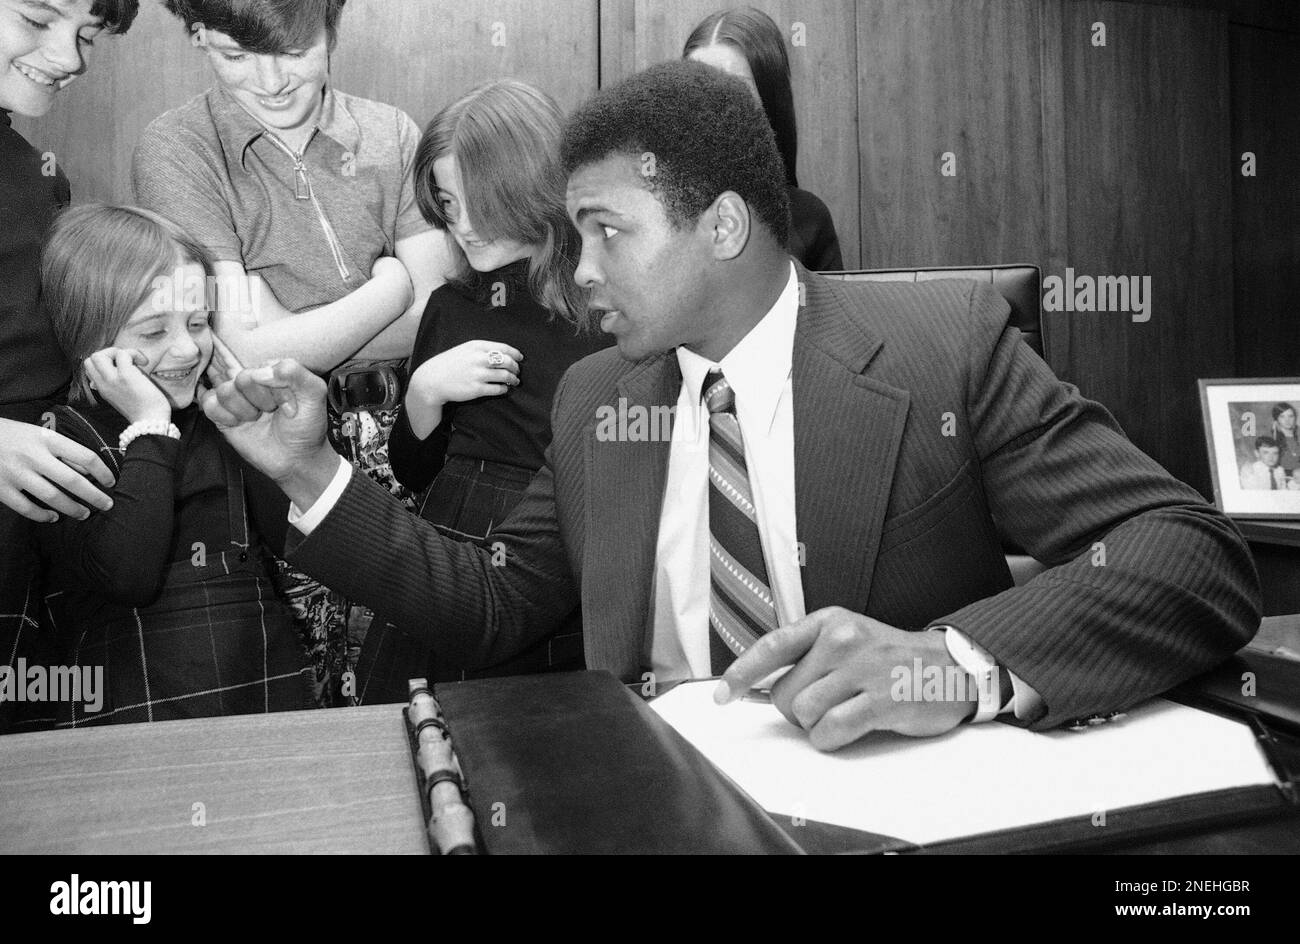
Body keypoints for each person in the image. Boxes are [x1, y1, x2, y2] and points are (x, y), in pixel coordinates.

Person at [204, 62, 1259, 751]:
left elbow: (1187, 550)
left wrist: (955, 663)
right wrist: (306, 469)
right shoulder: (594, 399)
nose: (578, 266)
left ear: (718, 226)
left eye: (606, 230)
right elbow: (487, 603)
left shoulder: (949, 348)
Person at [132, 0, 454, 707]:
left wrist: (294, 323)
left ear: (332, 27)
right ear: (196, 38)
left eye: (293, 50)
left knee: (422, 676)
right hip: (273, 441)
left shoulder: (391, 132)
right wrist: (389, 283)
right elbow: (241, 351)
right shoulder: (178, 148)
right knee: (305, 691)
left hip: (418, 432)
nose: (271, 81)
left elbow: (440, 315)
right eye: (235, 55)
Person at [358, 80, 610, 700]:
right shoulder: (451, 305)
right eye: (446, 203)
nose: (462, 226)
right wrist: (423, 392)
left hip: (568, 550)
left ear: (534, 189)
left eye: (481, 203)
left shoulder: (608, 304)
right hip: (455, 547)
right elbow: (415, 474)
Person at [37, 204, 311, 725]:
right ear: (87, 334)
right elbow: (128, 576)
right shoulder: (61, 435)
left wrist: (261, 434)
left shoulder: (213, 417)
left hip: (260, 681)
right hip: (138, 701)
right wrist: (149, 425)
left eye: (199, 323)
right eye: (153, 332)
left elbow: (282, 541)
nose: (187, 348)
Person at [0, 0, 138, 734]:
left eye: (84, 34)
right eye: (35, 19)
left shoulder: (32, 167)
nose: (70, 58)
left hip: (31, 523)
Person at [684, 5, 843, 271]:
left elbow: (825, 312)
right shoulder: (651, 211)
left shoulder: (807, 217)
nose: (713, 106)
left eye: (737, 89)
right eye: (699, 87)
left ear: (769, 100)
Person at [1270, 403, 1299, 476]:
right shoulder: (1272, 437)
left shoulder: (1298, 432)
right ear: (1276, 419)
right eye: (1282, 416)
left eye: (1291, 416)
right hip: (1284, 476)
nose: (1287, 420)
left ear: (1295, 418)